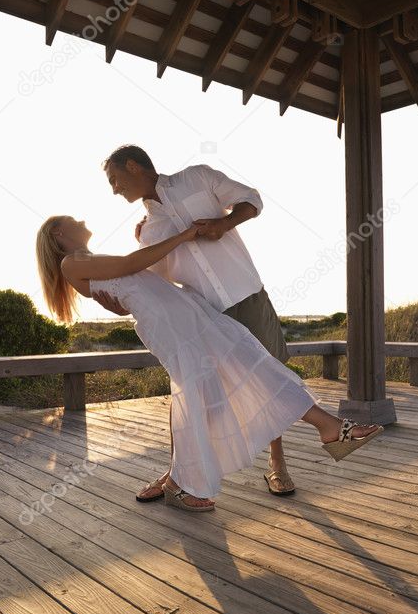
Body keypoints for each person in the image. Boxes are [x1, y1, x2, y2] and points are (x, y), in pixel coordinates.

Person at [35, 215, 384, 512]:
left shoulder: (89, 259)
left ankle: (328, 427)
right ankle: (183, 482)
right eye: (72, 220)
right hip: (172, 324)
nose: (81, 221)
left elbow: (134, 287)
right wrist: (184, 234)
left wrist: (143, 246)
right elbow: (131, 265)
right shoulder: (71, 263)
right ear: (58, 234)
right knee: (201, 395)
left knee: (252, 365)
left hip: (184, 313)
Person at [92, 145, 301, 498]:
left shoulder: (198, 177)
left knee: (268, 378)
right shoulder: (148, 231)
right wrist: (122, 307)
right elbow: (156, 284)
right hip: (203, 313)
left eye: (115, 179)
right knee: (193, 393)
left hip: (246, 294)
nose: (114, 188)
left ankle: (277, 465)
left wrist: (225, 223)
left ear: (133, 166)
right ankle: (178, 473)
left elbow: (251, 199)